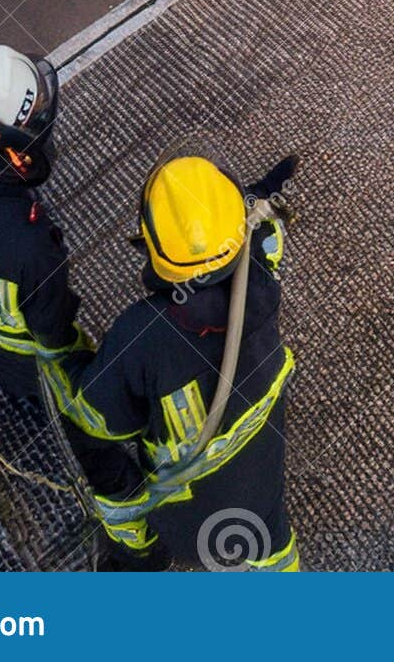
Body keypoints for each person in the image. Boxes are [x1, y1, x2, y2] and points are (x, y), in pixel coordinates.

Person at [0, 45, 141, 560]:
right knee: (88, 431)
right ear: (13, 148)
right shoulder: (31, 244)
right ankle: (126, 517)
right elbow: (54, 329)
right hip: (38, 367)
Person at [56, 153, 299, 572]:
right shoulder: (261, 280)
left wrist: (68, 363)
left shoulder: (141, 336)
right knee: (276, 558)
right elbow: (265, 234)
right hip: (259, 497)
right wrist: (257, 199)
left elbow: (92, 425)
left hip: (183, 520)